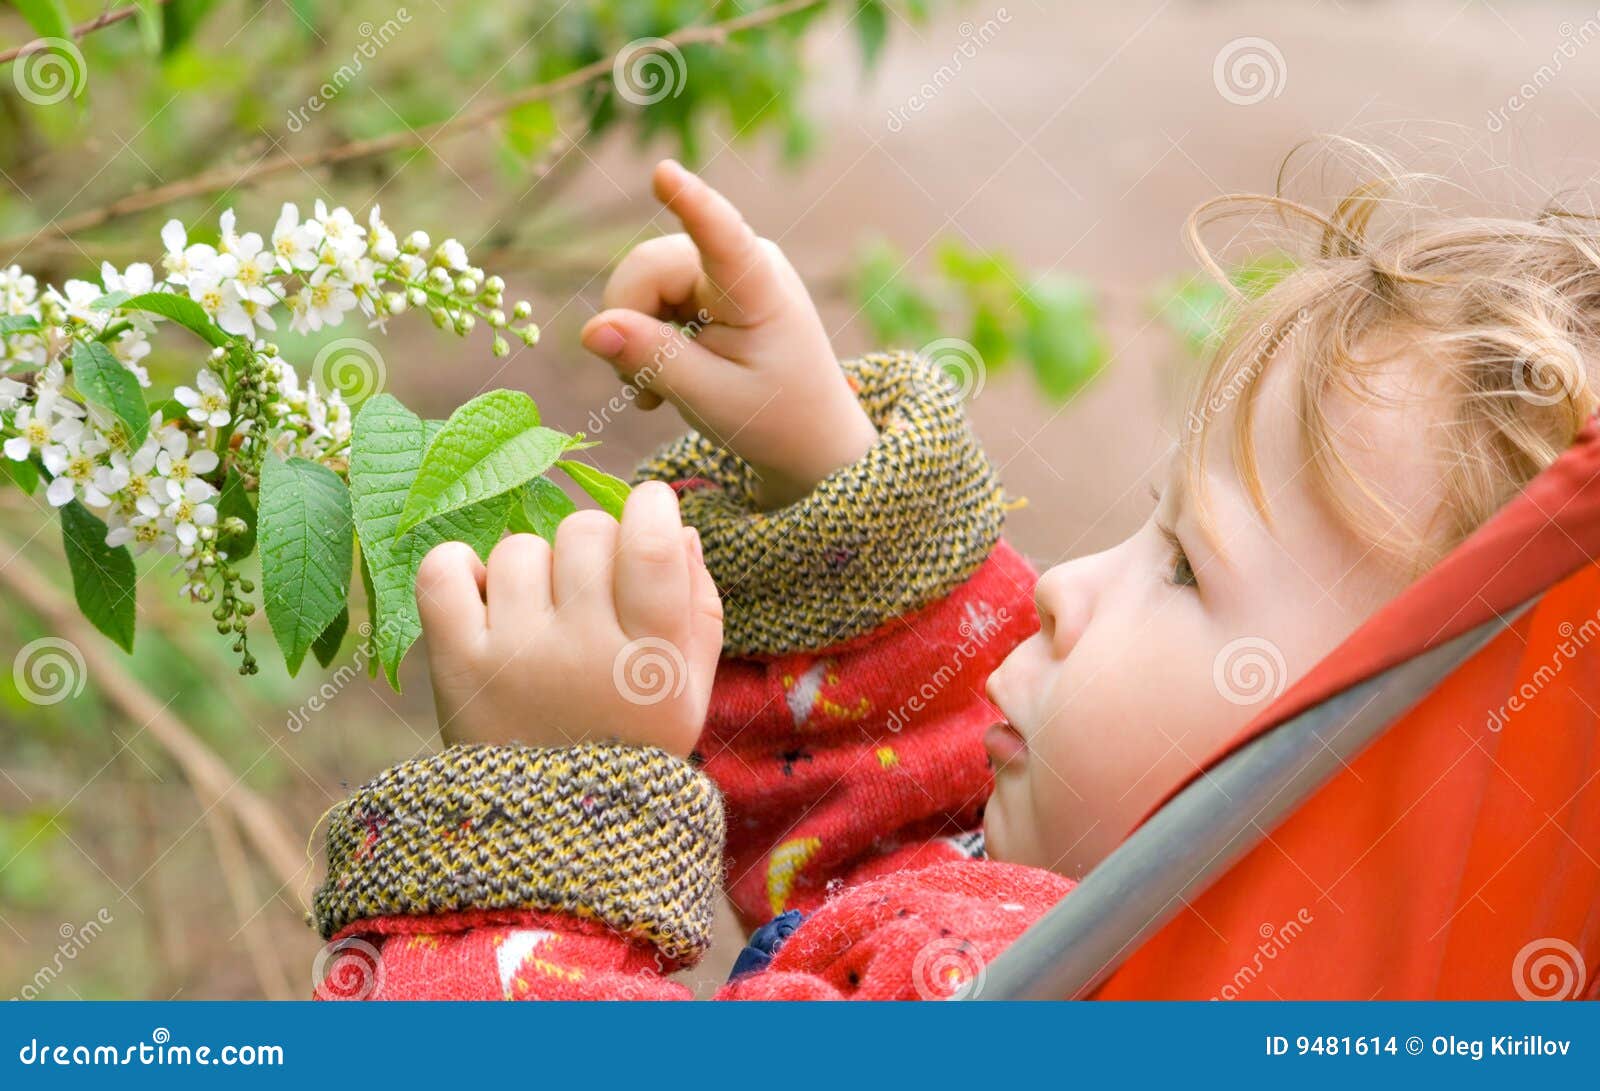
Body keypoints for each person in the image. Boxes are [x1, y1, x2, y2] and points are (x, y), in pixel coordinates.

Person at [311, 145, 1599, 999]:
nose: (1066, 584)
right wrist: (826, 475)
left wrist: (538, 842)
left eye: (1190, 572)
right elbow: (912, 835)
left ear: (1364, 808)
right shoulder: (1104, 940)